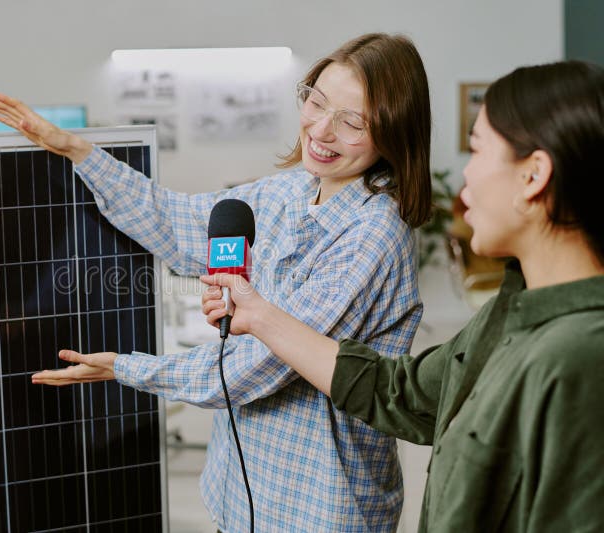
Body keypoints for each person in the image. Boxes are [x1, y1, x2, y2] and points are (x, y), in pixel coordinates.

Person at [0, 32, 432, 532]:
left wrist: (127, 368)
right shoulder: (289, 191)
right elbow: (177, 221)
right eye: (317, 103)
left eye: (352, 122)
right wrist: (80, 152)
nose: (321, 129)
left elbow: (251, 368)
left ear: (394, 132)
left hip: (318, 508)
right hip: (241, 494)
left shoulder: (373, 235)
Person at [201, 60, 604, 532]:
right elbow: (403, 393)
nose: (465, 179)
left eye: (477, 151)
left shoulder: (581, 358)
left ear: (533, 176)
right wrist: (259, 317)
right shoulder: (510, 308)